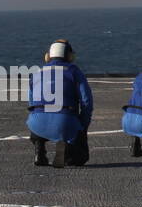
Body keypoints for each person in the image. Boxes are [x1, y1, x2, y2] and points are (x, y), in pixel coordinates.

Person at [26, 39, 93, 168]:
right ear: (69, 56)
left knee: (39, 116)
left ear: (48, 56)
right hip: (65, 122)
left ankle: (39, 150)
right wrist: (82, 126)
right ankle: (68, 151)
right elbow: (86, 102)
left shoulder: (37, 73)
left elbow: (31, 103)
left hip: (37, 123)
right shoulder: (74, 71)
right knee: (80, 158)